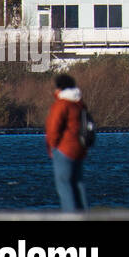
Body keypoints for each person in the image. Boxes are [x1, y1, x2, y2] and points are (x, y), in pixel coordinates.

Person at [45, 73, 90, 212]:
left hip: (64, 149)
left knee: (64, 185)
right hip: (80, 148)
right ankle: (83, 214)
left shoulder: (61, 104)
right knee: (78, 184)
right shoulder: (80, 104)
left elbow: (53, 128)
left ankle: (70, 216)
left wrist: (52, 147)